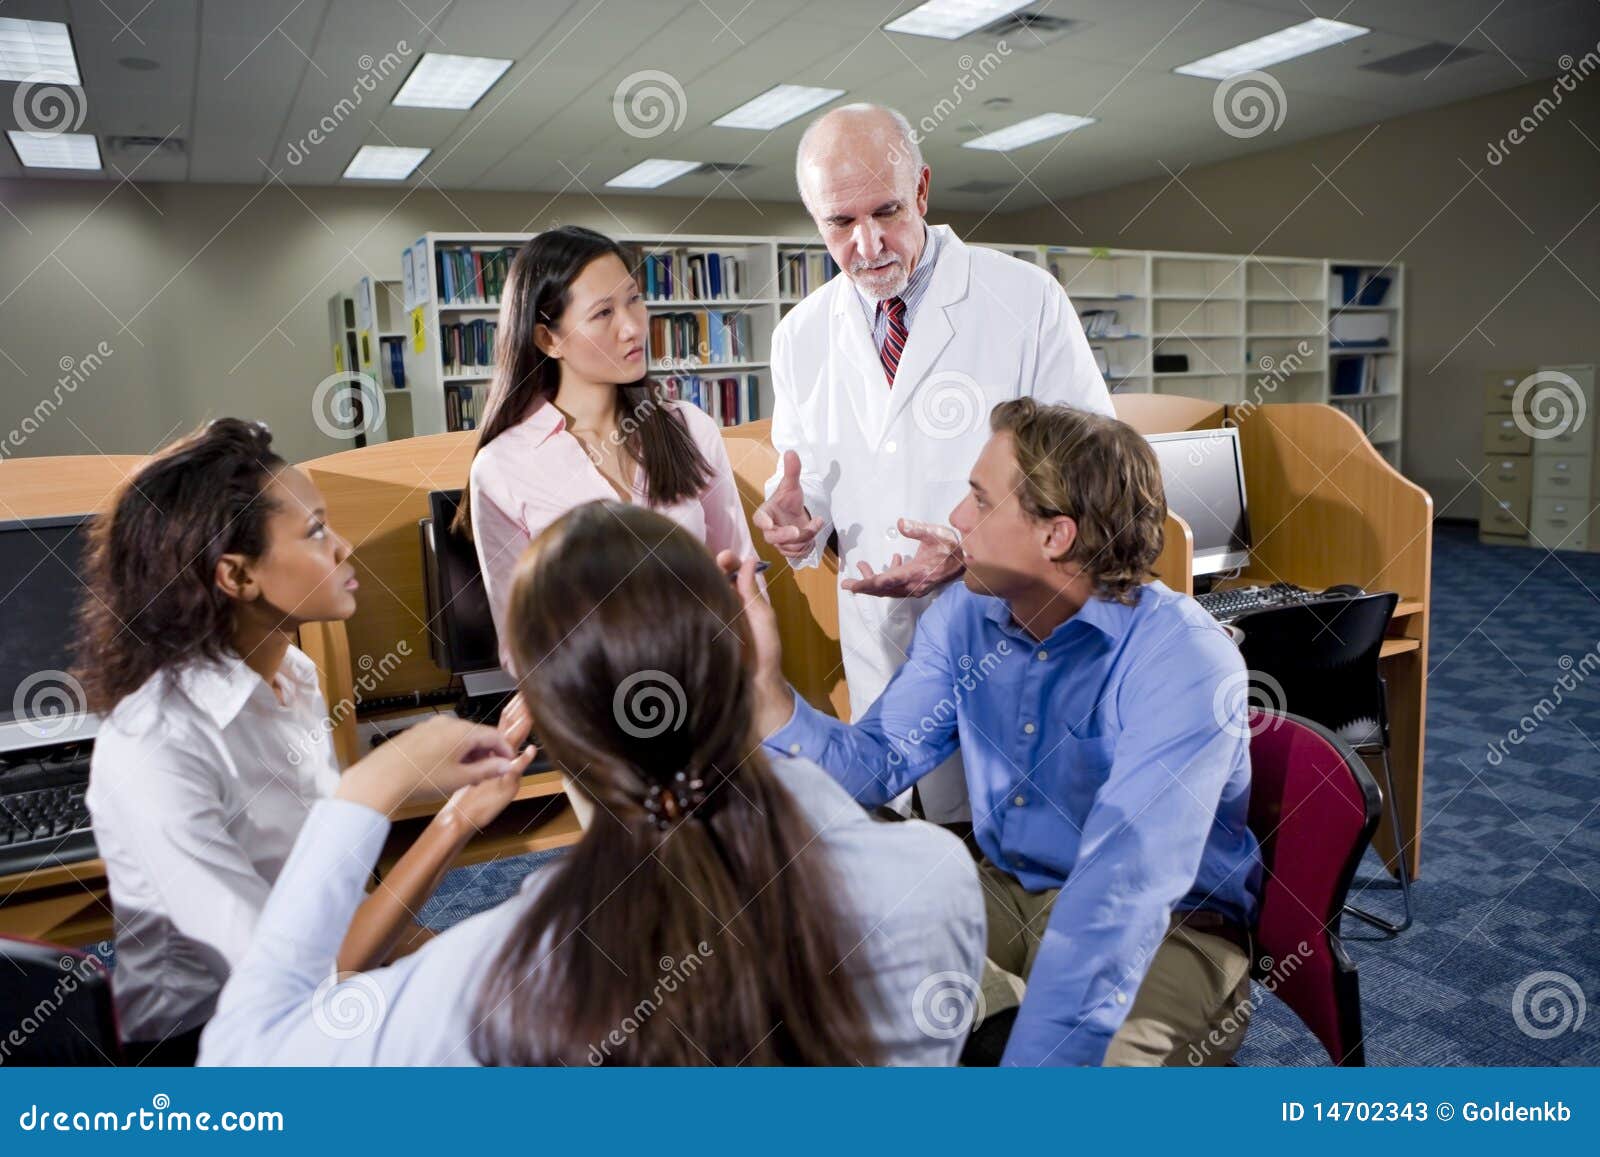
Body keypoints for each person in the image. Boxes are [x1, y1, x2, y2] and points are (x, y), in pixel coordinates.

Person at [199, 503, 985, 1066]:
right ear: (745, 653)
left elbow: (245, 1064)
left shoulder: (511, 967)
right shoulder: (933, 874)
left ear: (547, 721)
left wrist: (369, 787)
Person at [739, 399, 1262, 1066]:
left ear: (1056, 535)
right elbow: (875, 761)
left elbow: (1119, 893)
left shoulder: (1183, 657)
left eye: (980, 502)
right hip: (1006, 888)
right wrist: (766, 692)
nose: (957, 520)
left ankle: (996, 1020)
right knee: (801, 930)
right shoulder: (967, 614)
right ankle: (991, 1010)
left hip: (1167, 929)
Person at [77, 418, 536, 1064]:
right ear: (236, 577)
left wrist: (460, 817)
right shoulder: (154, 747)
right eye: (317, 531)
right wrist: (392, 780)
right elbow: (297, 974)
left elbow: (333, 904)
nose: (344, 547)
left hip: (318, 992)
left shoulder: (294, 675)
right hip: (201, 1047)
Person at [754, 103, 1113, 822]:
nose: (867, 243)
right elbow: (811, 473)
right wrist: (798, 521)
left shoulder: (1025, 299)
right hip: (880, 646)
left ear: (921, 190)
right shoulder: (800, 335)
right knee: (905, 851)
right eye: (839, 223)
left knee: (1015, 857)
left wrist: (975, 555)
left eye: (886, 210)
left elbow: (1092, 469)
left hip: (1010, 629)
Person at [456, 225, 755, 668]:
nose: (633, 327)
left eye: (634, 299)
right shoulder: (502, 467)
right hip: (594, 712)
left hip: (712, 691)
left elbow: (744, 577)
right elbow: (522, 644)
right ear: (548, 339)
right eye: (603, 313)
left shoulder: (691, 429)